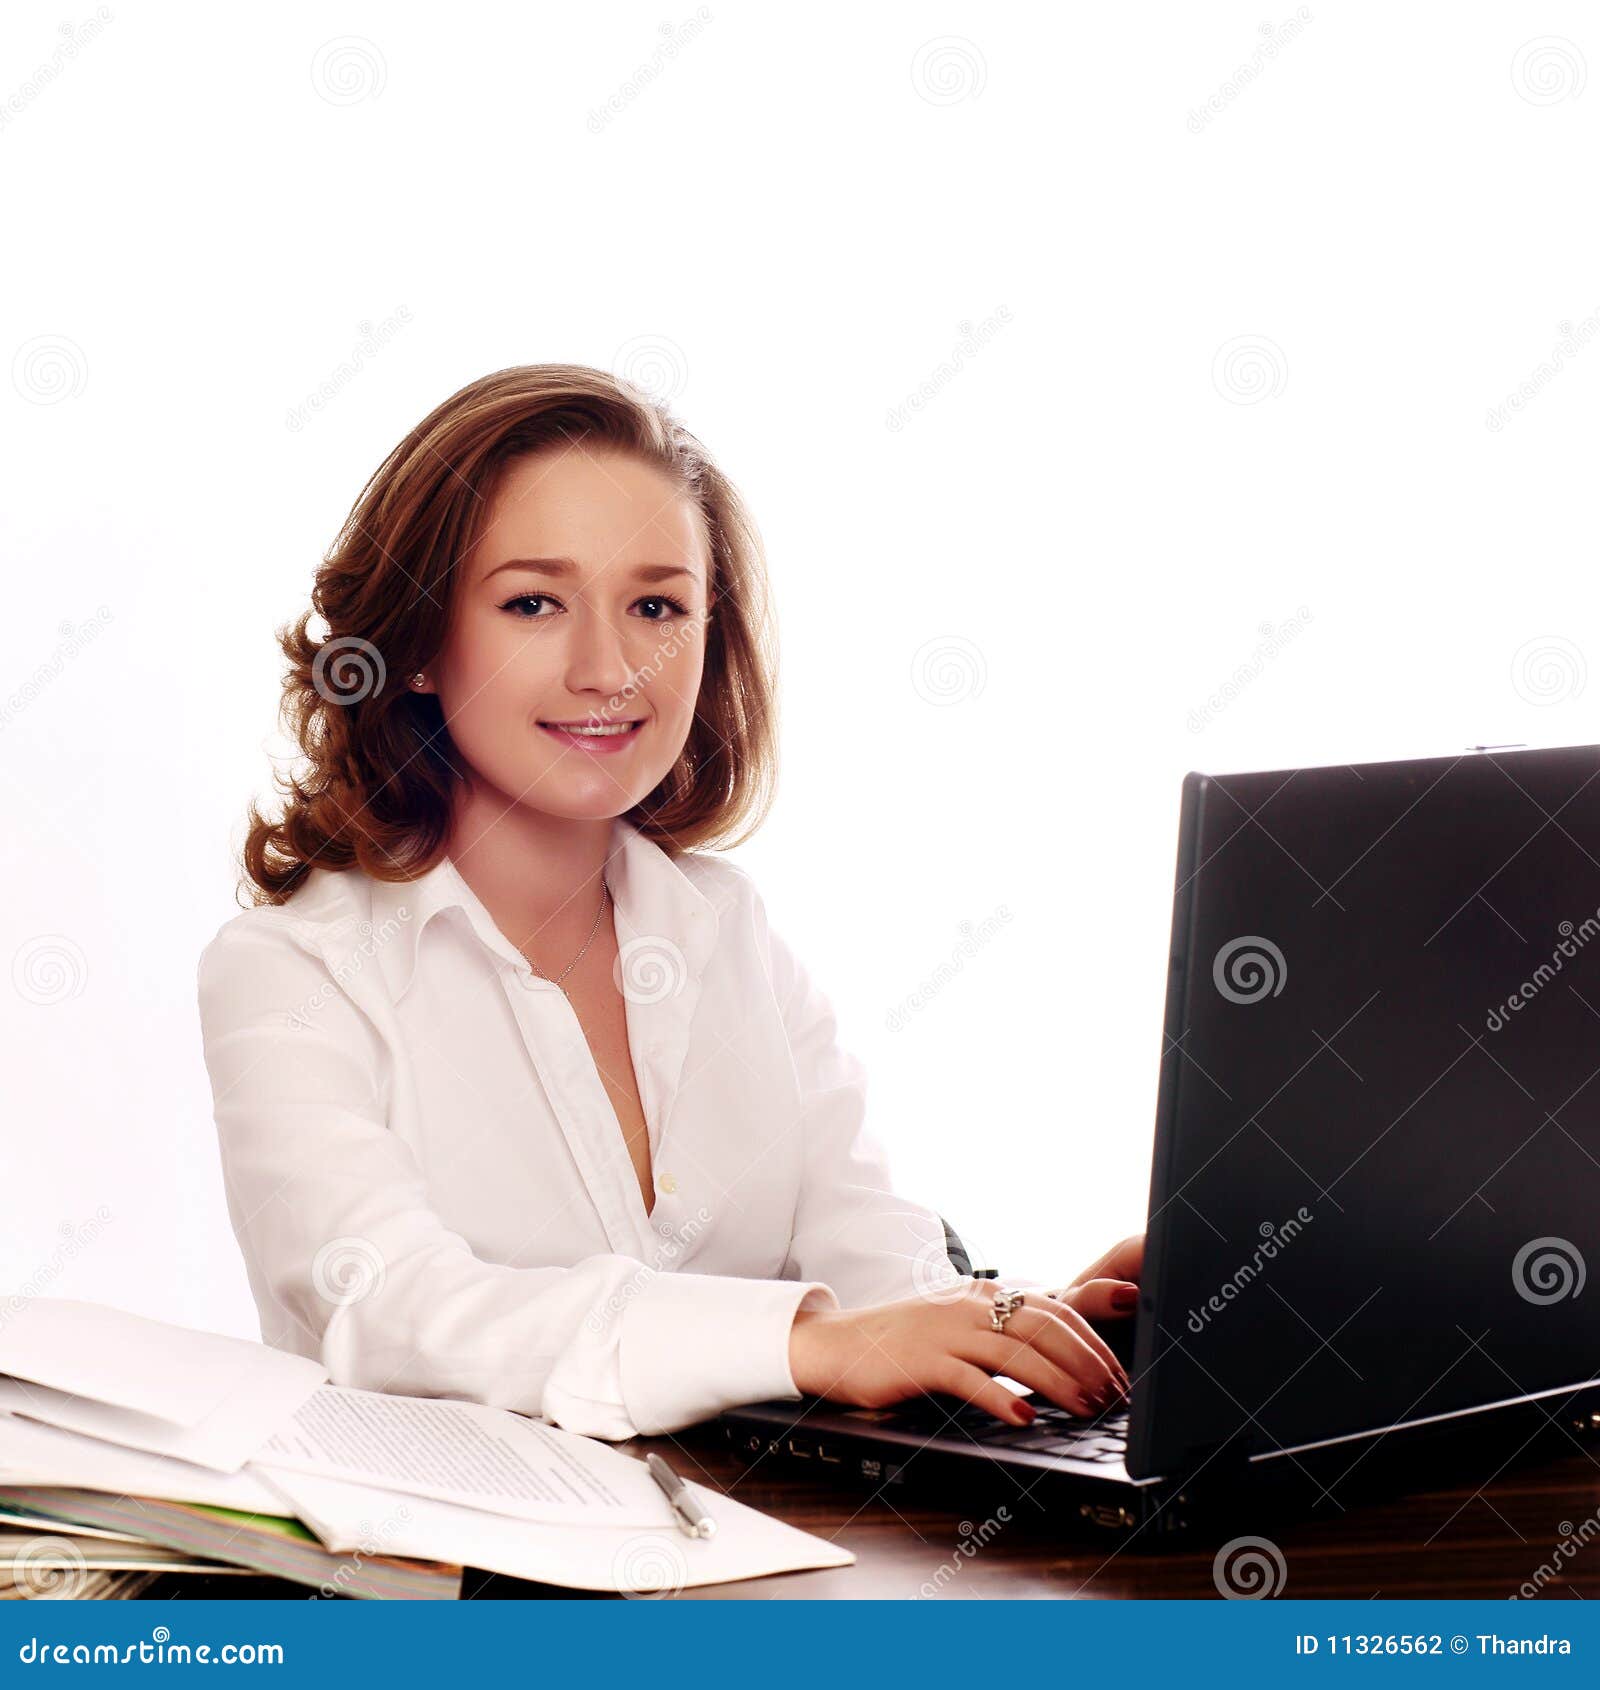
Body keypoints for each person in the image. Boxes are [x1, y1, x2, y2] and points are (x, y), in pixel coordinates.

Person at [196, 363, 1141, 1441]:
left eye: (656, 607)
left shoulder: (726, 929)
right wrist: (803, 1340)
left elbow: (868, 1253)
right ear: (415, 646)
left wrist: (1026, 1325)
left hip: (753, 1538)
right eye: (534, 603)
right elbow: (394, 1312)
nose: (609, 669)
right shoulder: (291, 972)